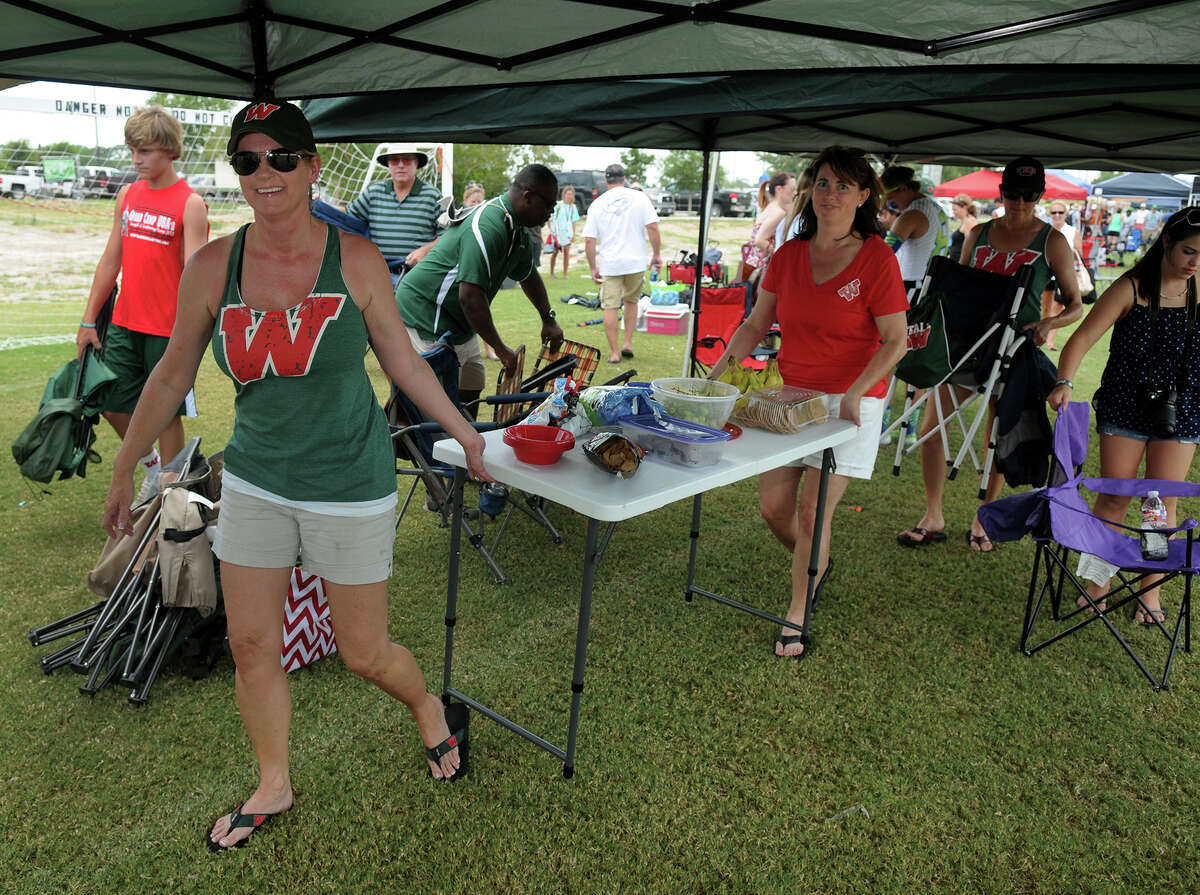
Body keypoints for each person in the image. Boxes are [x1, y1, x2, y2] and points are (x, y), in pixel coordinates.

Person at [98, 103, 494, 850]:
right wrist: (127, 467)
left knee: (364, 652)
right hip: (257, 481)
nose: (265, 172)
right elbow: (172, 372)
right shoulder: (214, 266)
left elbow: (404, 362)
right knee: (251, 645)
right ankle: (273, 782)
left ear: (312, 167)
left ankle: (429, 709)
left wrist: (465, 433)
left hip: (349, 480)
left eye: (282, 157)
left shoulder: (357, 259)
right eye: (248, 160)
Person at [707, 145, 908, 659]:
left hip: (849, 402)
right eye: (822, 183)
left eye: (843, 186)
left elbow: (895, 341)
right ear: (809, 190)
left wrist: (857, 392)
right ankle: (817, 561)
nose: (830, 194)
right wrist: (715, 378)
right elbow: (756, 324)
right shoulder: (789, 255)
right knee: (774, 510)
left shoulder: (877, 258)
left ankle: (797, 610)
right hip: (791, 399)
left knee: (814, 510)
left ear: (862, 196)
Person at [898, 156, 1083, 552]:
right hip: (965, 347)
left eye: (1029, 195)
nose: (1020, 202)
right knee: (932, 427)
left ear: (1040, 195)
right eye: (1013, 193)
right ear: (1001, 192)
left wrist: (1049, 323)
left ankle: (985, 516)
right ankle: (933, 514)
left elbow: (1076, 305)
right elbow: (957, 285)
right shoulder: (978, 234)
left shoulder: (1052, 241)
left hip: (1013, 349)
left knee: (997, 435)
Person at [1048, 207, 1200, 625]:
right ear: (1167, 242)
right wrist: (1065, 382)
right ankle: (1097, 585)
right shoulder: (1130, 287)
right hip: (1126, 405)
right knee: (1114, 497)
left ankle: (1150, 593)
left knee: (1161, 503)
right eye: (1188, 251)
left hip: (1184, 407)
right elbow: (1079, 341)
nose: (1194, 263)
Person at [76, 106, 209, 496]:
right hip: (124, 323)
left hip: (168, 330)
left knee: (165, 416)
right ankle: (154, 473)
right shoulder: (127, 194)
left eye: (145, 150)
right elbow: (110, 259)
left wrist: (190, 333)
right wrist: (88, 320)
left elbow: (195, 274)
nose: (136, 159)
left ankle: (172, 499)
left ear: (170, 150)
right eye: (133, 150)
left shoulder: (191, 203)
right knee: (110, 402)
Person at [394, 166, 564, 409]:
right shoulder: (488, 225)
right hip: (426, 314)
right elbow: (470, 297)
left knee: (472, 383)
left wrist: (548, 319)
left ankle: (463, 432)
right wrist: (500, 349)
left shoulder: (517, 230)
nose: (551, 211)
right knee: (430, 405)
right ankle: (407, 427)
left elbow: (528, 275)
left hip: (459, 322)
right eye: (548, 204)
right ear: (528, 197)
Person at [584, 163, 662, 364]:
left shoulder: (598, 203)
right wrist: (656, 254)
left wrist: (593, 267)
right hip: (635, 261)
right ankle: (627, 342)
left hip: (611, 263)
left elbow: (589, 240)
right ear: (624, 179)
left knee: (610, 306)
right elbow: (653, 228)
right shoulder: (640, 198)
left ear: (606, 180)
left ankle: (614, 353)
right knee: (631, 302)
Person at [346, 142, 442, 285]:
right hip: (376, 274)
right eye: (395, 160)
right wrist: (317, 205)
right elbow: (346, 217)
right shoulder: (373, 192)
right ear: (388, 164)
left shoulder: (433, 196)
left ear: (416, 163)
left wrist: (426, 250)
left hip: (416, 276)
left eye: (407, 159)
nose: (401, 165)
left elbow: (449, 236)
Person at [879, 166, 950, 292]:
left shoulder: (911, 215)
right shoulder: (935, 208)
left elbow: (883, 254)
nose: (889, 205)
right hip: (931, 283)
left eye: (889, 198)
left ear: (904, 189)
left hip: (912, 287)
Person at [1041, 200, 1083, 350]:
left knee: (1058, 306)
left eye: (1060, 212)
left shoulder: (1072, 231)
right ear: (1049, 214)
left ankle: (1050, 340)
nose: (1057, 215)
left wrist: (1065, 252)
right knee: (1045, 306)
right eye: (1054, 212)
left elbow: (1080, 254)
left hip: (1063, 274)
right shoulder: (1044, 230)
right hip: (1046, 273)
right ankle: (1042, 335)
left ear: (1066, 214)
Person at [742, 172, 795, 281]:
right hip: (761, 271)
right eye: (792, 188)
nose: (795, 193)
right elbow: (759, 240)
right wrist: (780, 255)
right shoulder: (778, 213)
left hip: (752, 266)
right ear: (779, 189)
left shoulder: (770, 207)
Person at [548, 185, 580, 279]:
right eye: (567, 194)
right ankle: (552, 273)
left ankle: (565, 274)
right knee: (555, 253)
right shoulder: (558, 205)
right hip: (558, 233)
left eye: (571, 194)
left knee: (566, 252)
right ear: (564, 194)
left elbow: (574, 222)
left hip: (568, 233)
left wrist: (573, 234)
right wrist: (551, 231)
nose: (569, 196)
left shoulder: (573, 207)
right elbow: (549, 218)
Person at [948, 193, 979, 262]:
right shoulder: (965, 221)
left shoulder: (970, 222)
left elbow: (970, 248)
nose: (953, 212)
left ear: (965, 207)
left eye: (955, 210)